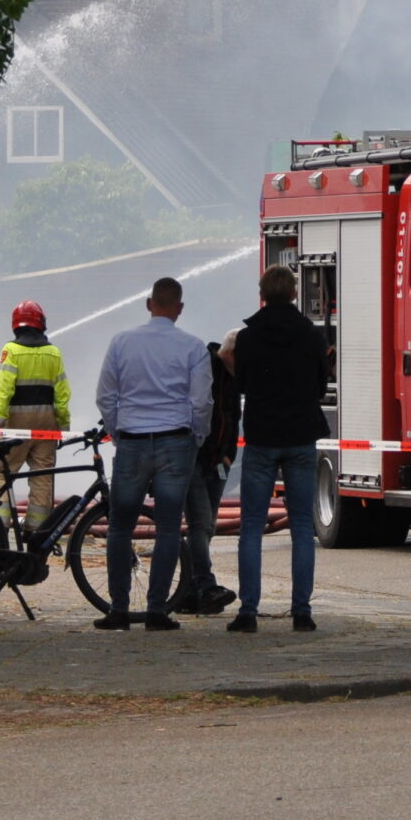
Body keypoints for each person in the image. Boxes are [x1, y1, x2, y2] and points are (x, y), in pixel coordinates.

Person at [94, 276, 212, 631]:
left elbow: (105, 396)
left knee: (119, 527)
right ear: (179, 308)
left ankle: (118, 609)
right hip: (175, 442)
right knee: (168, 529)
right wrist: (197, 436)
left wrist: (118, 430)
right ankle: (157, 610)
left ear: (149, 304)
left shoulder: (121, 343)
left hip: (131, 441)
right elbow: (201, 401)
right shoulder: (193, 348)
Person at [228, 265, 330, 634]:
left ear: (262, 294)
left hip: (262, 438)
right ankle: (301, 612)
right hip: (301, 436)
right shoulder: (310, 334)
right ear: (293, 294)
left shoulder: (248, 338)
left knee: (252, 526)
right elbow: (321, 385)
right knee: (302, 526)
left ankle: (248, 612)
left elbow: (240, 385)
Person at [175, 330, 242, 616]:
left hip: (217, 461)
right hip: (193, 459)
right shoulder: (202, 368)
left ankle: (189, 593)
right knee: (201, 524)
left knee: (208, 526)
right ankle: (205, 584)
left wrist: (228, 455)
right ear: (230, 354)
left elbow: (233, 417)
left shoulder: (233, 377)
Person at [0, 300, 70, 525]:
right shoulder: (54, 353)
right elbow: (62, 395)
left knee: (0, 472)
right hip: (46, 424)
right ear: (41, 323)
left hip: (16, 423)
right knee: (42, 475)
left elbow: (4, 389)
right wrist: (63, 427)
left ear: (16, 324)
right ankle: (37, 528)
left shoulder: (11, 351)